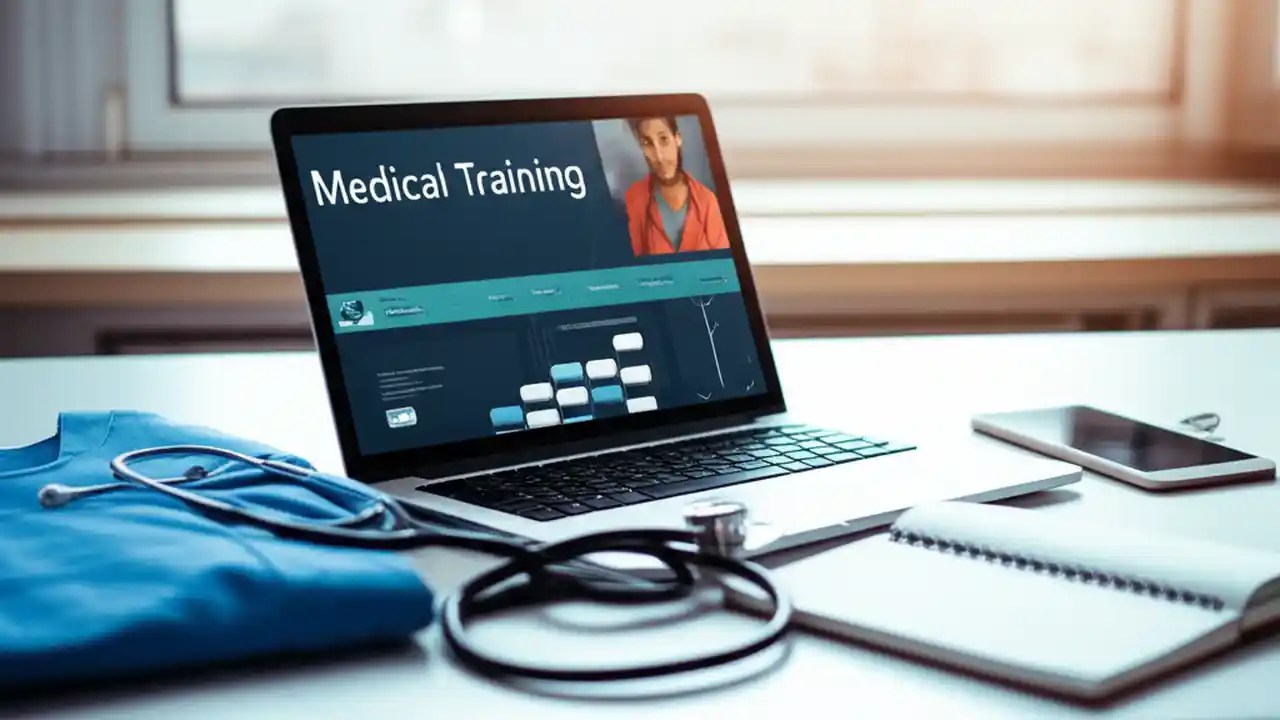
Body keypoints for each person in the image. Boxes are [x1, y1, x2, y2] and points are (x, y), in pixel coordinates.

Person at [624, 117, 729, 256]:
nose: (659, 157)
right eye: (647, 143)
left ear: (677, 139)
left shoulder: (707, 201)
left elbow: (723, 266)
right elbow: (633, 265)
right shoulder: (635, 198)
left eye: (664, 139)